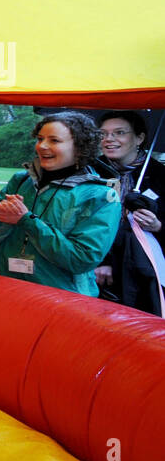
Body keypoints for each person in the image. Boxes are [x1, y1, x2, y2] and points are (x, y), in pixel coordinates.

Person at [0, 111, 120, 296]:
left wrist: (26, 220)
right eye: (40, 138)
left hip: (62, 302)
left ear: (80, 147)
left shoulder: (101, 196)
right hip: (6, 291)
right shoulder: (20, 181)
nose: (42, 146)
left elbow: (81, 259)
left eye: (54, 140)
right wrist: (1, 219)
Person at [94, 110, 164, 313]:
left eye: (119, 133)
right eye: (103, 134)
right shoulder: (89, 172)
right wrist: (102, 261)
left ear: (139, 138)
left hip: (146, 274)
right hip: (96, 272)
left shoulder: (160, 175)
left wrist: (158, 226)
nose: (109, 139)